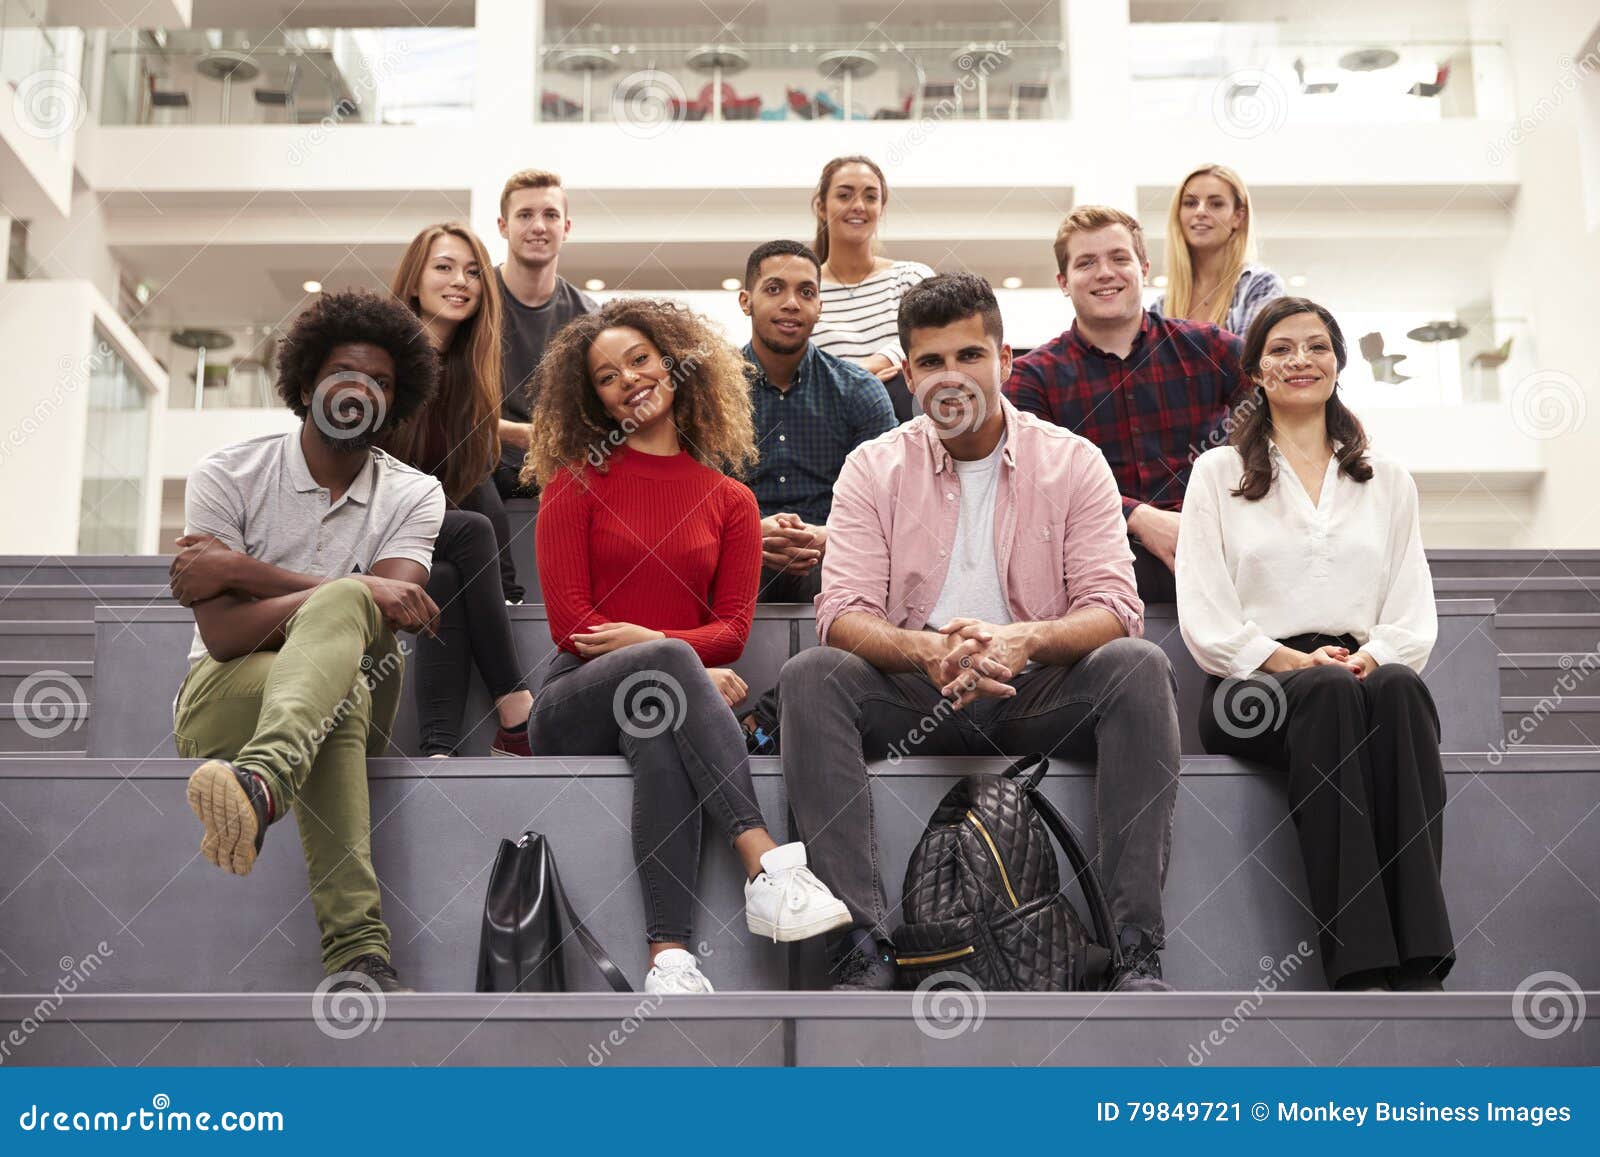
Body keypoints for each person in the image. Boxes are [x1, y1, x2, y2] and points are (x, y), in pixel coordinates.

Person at [778, 273, 1182, 993]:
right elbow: (841, 612)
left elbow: (1116, 606)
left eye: (970, 355)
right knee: (810, 676)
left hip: (1036, 687)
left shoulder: (1073, 460)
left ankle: (1134, 950)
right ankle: (861, 946)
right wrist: (931, 650)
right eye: (931, 362)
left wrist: (1022, 640)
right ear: (906, 373)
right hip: (916, 690)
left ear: (1005, 360)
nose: (951, 376)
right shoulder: (873, 466)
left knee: (1138, 665)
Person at [521, 297, 852, 994]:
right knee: (670, 669)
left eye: (639, 360)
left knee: (662, 731)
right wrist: (673, 650)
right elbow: (575, 627)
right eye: (607, 376)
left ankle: (669, 959)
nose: (629, 380)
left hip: (657, 703)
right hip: (573, 699)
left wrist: (666, 652)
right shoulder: (574, 484)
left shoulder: (730, 500)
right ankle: (766, 864)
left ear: (674, 366)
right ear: (597, 399)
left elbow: (731, 631)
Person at [167, 290, 446, 994]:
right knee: (340, 682)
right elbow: (226, 636)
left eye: (381, 381)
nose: (362, 391)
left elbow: (383, 619)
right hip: (222, 699)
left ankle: (259, 781)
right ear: (306, 383)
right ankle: (359, 955)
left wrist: (240, 570)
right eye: (345, 373)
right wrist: (353, 588)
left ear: (397, 397)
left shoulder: (416, 495)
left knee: (352, 627)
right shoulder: (226, 473)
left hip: (363, 685)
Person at [1177, 296, 1453, 993]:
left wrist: (1372, 656)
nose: (1300, 359)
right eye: (1280, 349)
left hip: (1358, 668)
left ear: (1337, 364)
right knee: (1328, 691)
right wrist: (1296, 661)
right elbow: (1206, 616)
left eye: (1316, 346)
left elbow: (1412, 608)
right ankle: (1359, 959)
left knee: (1399, 687)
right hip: (1251, 685)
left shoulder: (1386, 479)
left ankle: (1422, 952)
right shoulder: (1216, 473)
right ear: (1255, 370)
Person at [1005, 205, 1247, 604]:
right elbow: (1034, 485)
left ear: (1144, 268)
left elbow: (1284, 420)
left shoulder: (1211, 349)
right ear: (1063, 282)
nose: (1105, 273)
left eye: (1119, 258)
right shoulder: (1032, 377)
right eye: (1086, 263)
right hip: (1096, 559)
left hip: (1217, 542)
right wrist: (1138, 517)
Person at [380, 222, 534, 757]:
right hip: (364, 522)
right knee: (469, 531)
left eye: (472, 271)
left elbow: (463, 467)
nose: (461, 281)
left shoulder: (466, 368)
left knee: (447, 573)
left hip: (420, 537)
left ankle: (440, 748)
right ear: (415, 281)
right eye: (443, 267)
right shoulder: (386, 358)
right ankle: (515, 705)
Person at [738, 239, 896, 605]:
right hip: (736, 555)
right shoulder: (709, 393)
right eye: (774, 289)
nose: (791, 302)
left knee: (845, 572)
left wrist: (829, 536)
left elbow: (890, 504)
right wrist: (747, 535)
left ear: (819, 307)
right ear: (746, 301)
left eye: (806, 292)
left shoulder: (860, 391)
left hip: (832, 556)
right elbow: (690, 501)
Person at [487, 168, 599, 602]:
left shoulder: (588, 317)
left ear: (566, 228)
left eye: (550, 215)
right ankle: (506, 594)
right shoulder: (477, 302)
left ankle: (585, 604)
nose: (538, 226)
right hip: (490, 456)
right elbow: (452, 413)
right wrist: (516, 433)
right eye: (525, 215)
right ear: (503, 226)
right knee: (472, 457)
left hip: (557, 461)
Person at [809, 155, 934, 421]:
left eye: (870, 197)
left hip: (909, 426)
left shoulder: (910, 277)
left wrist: (873, 364)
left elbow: (935, 336)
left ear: (881, 207)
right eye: (844, 195)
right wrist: (863, 376)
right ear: (821, 207)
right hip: (830, 430)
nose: (858, 206)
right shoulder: (805, 290)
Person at [1153, 163, 1285, 337]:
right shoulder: (1161, 307)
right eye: (1190, 203)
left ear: (1238, 217)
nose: (1200, 211)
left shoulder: (1260, 286)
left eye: (1215, 204)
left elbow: (1250, 362)